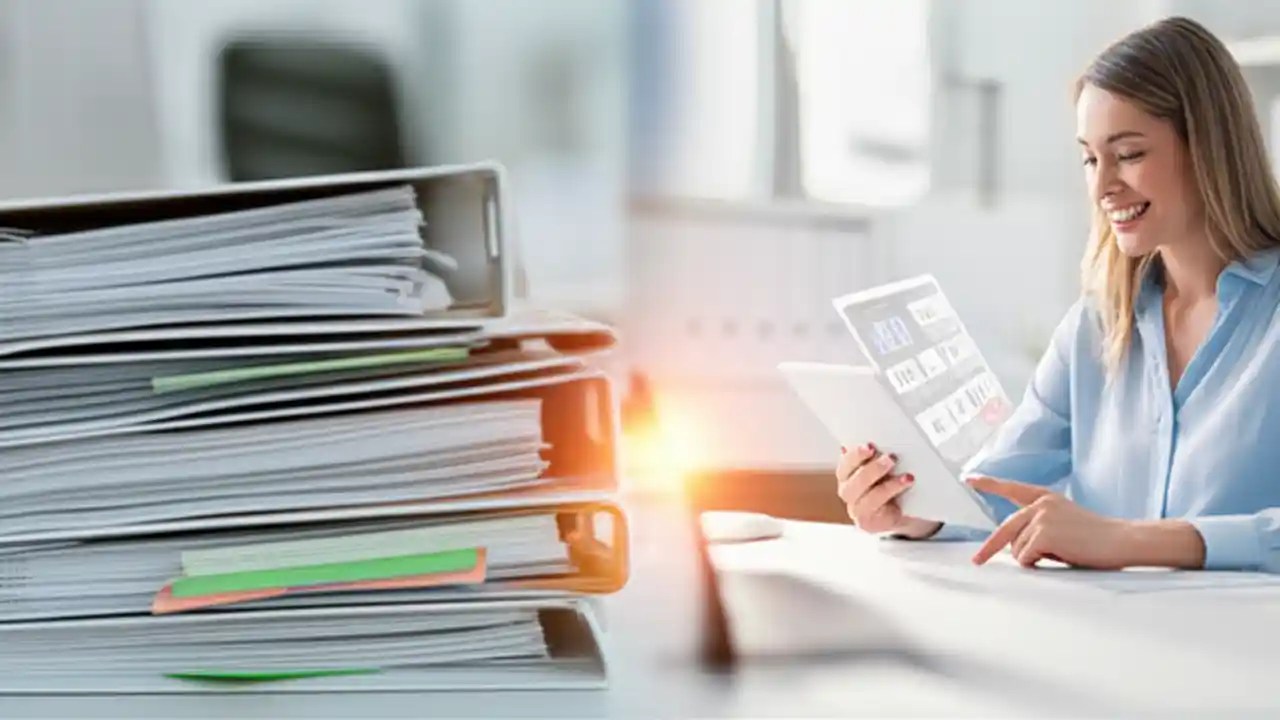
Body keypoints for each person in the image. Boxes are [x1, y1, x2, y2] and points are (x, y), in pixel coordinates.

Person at [835, 16, 1280, 574]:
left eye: (1129, 153)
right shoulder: (1096, 327)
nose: (1101, 187)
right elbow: (998, 484)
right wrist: (910, 510)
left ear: (1207, 147)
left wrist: (1130, 541)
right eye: (1091, 158)